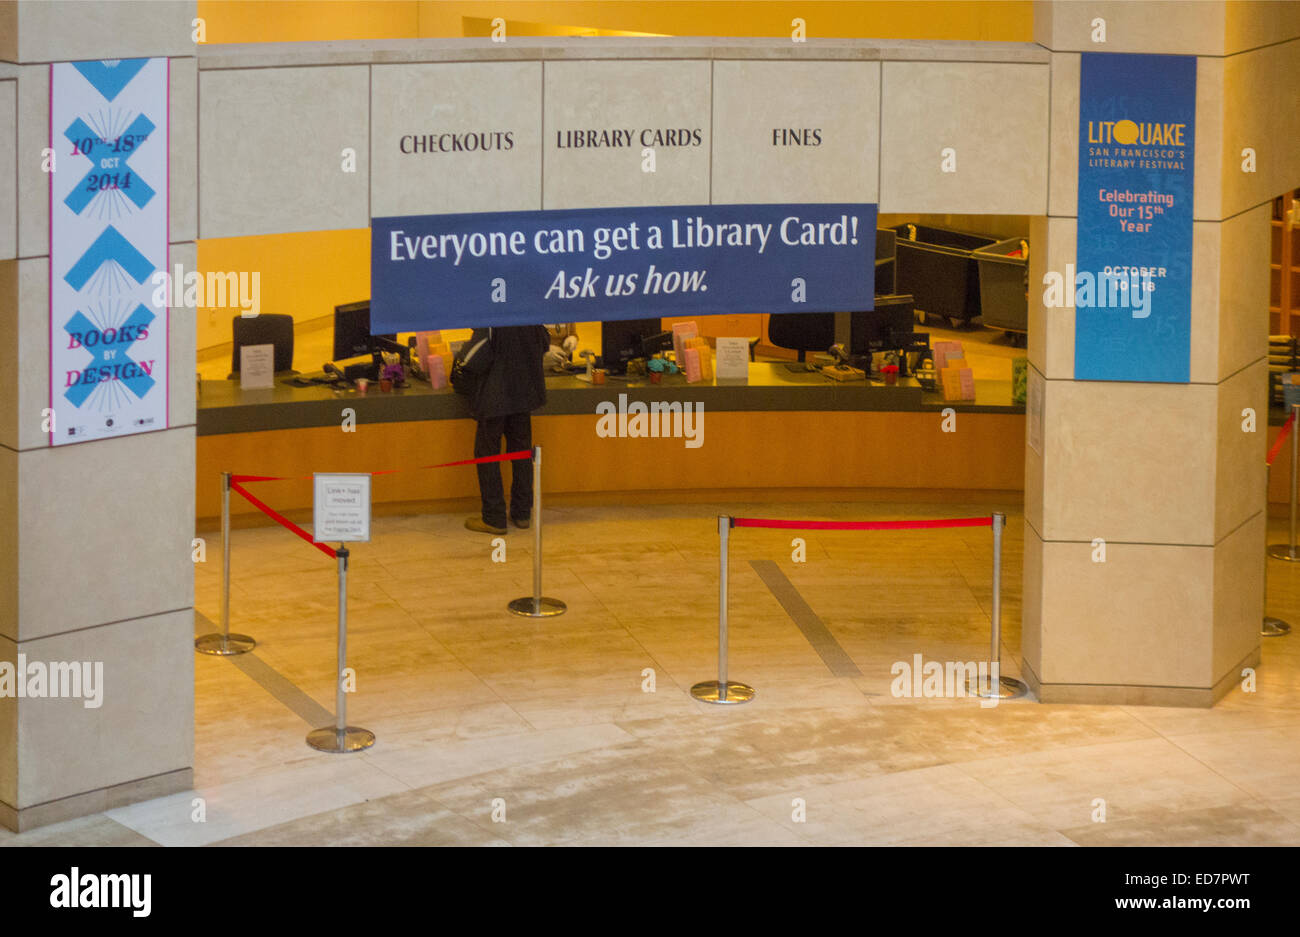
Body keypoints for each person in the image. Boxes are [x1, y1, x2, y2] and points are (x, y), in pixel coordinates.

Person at [460, 324, 549, 534]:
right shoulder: (530, 315)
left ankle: (493, 518)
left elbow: (473, 358)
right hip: (524, 392)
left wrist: (462, 354)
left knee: (487, 454)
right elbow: (544, 343)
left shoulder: (494, 315)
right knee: (521, 452)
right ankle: (522, 513)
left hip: (494, 396)